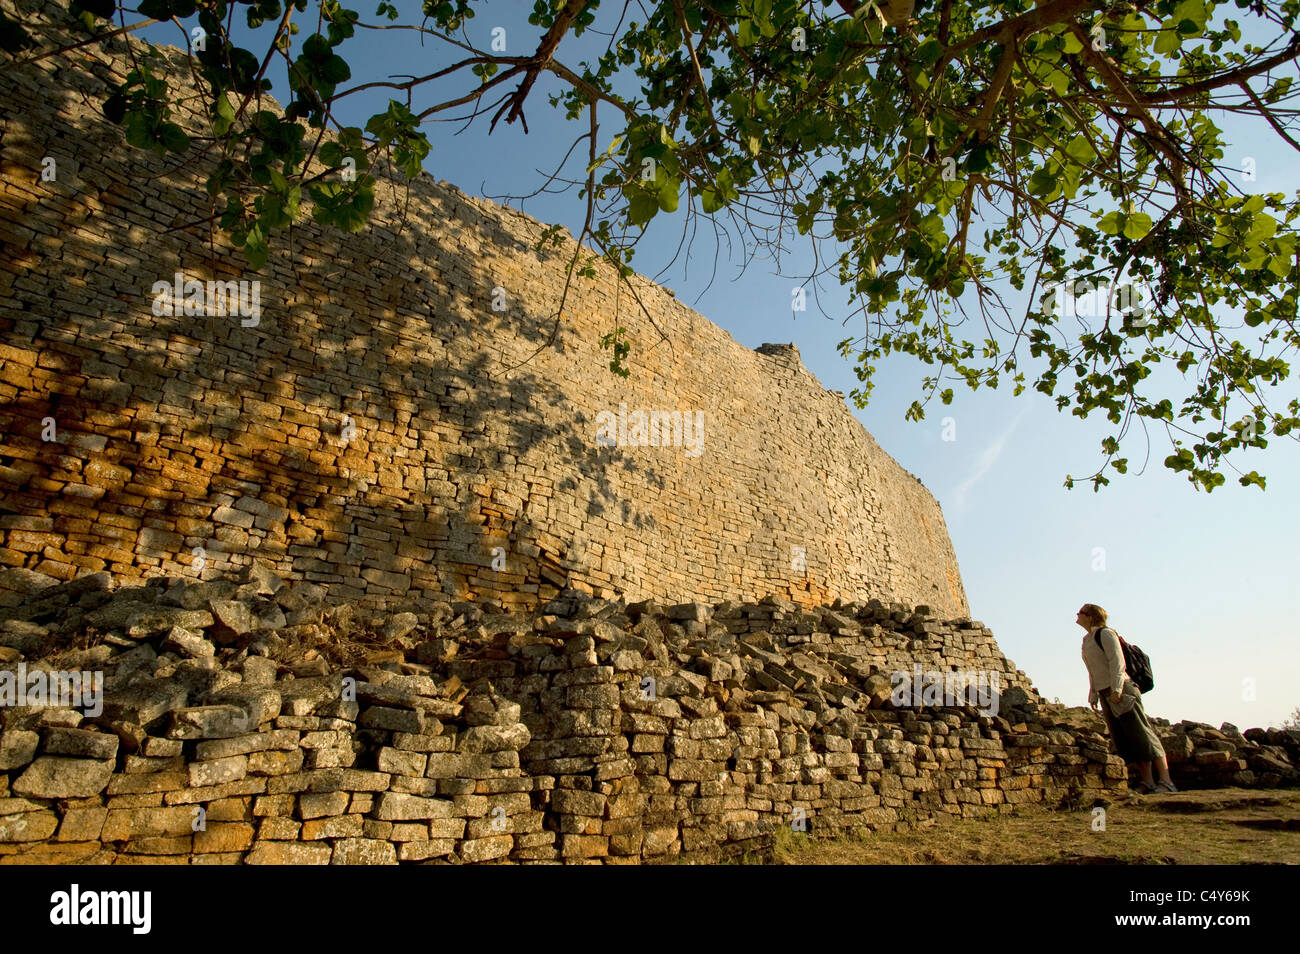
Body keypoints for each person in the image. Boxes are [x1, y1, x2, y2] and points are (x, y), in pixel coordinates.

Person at [1077, 603, 1177, 794]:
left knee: (1142, 733)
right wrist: (1094, 693)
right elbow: (1093, 670)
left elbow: (1117, 662)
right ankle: (1147, 781)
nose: (1077, 615)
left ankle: (1166, 781)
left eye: (1081, 612)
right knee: (1127, 738)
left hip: (1122, 690)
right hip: (1105, 691)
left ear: (1090, 616)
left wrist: (1117, 689)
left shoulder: (1105, 634)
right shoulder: (1086, 640)